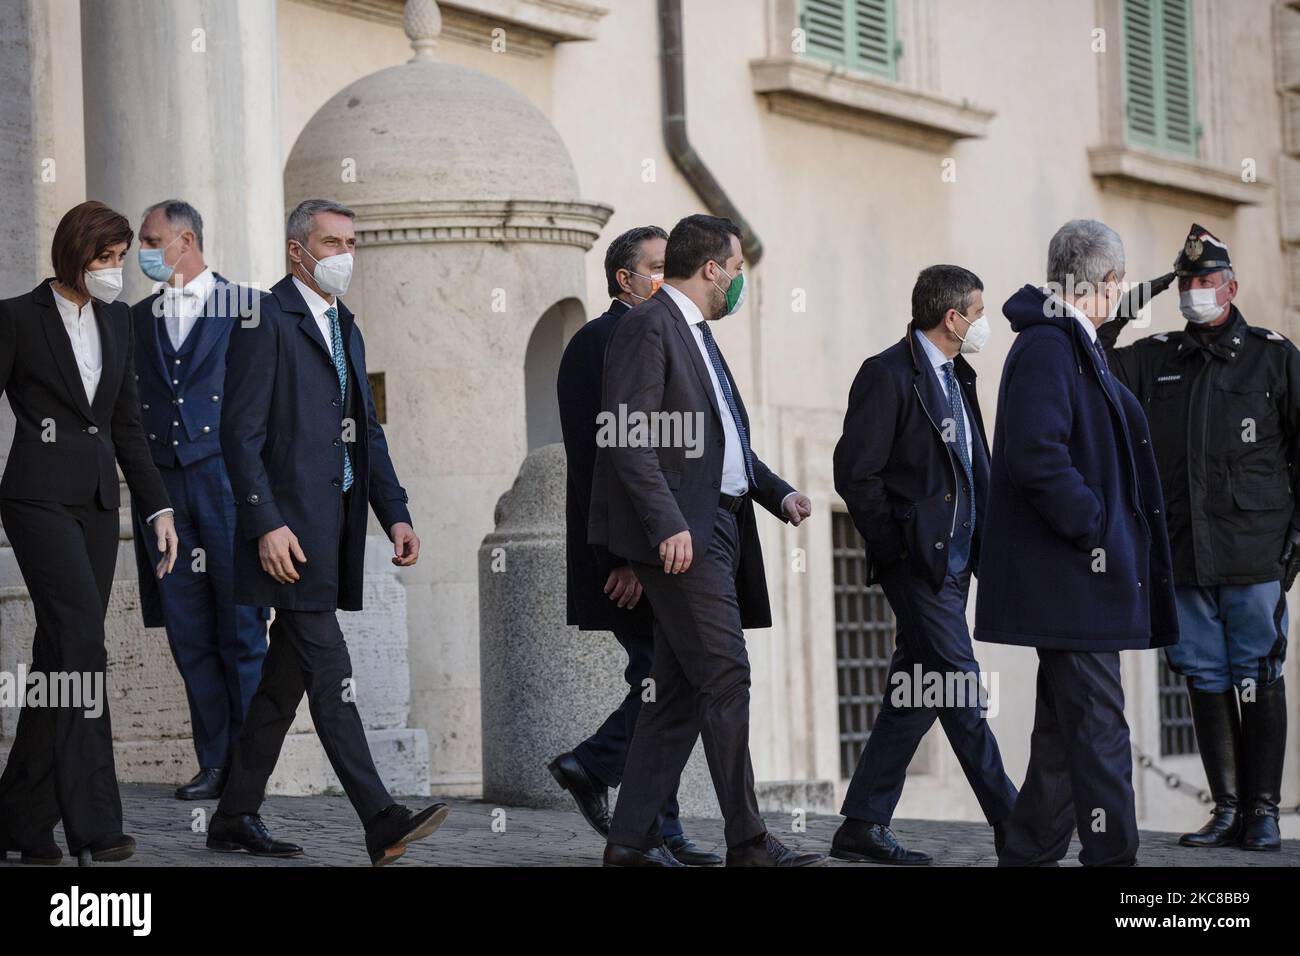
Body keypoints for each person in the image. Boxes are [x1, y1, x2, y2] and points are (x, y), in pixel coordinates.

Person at [209, 198, 445, 867]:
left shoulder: (346, 324)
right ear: (296, 250)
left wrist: (394, 512)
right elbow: (239, 433)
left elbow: (365, 433)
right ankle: (380, 816)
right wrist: (265, 523)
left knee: (283, 685)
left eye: (351, 242)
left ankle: (232, 815)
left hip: (332, 529)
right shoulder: (264, 317)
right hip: (288, 537)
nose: (345, 254)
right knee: (331, 669)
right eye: (331, 242)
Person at [590, 213, 824, 867]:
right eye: (738, 266)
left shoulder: (695, 332)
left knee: (679, 694)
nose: (741, 279)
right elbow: (625, 434)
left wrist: (777, 493)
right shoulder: (647, 325)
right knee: (726, 675)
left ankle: (628, 844)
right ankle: (748, 843)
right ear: (712, 267)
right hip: (682, 532)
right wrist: (666, 523)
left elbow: (726, 441)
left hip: (718, 524)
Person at [976, 219, 1178, 867]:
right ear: (1108, 280)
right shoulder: (1048, 348)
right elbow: (1037, 455)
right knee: (1099, 730)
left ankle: (1030, 853)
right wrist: (1093, 526)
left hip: (1080, 582)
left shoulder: (1069, 341)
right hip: (1073, 581)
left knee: (1064, 733)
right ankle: (1114, 861)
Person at [1098, 224, 1294, 851]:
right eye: (1186, 283)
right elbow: (1094, 362)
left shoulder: (1274, 357)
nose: (1195, 292)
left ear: (1232, 287)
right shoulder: (1156, 359)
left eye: (1205, 282)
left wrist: (1296, 543)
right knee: (1204, 673)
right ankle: (1228, 808)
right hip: (1184, 551)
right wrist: (1140, 296)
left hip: (1254, 550)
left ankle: (1263, 811)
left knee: (1257, 670)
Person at [0, 200, 178, 865]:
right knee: (83, 643)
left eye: (121, 259)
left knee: (60, 659)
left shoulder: (118, 321)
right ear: (74, 253)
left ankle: (18, 817)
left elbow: (127, 422)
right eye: (105, 258)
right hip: (37, 499)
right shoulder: (17, 317)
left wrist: (157, 509)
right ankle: (97, 827)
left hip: (100, 504)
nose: (114, 271)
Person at [831, 265, 1017, 865]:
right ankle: (1016, 825)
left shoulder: (961, 377)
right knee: (961, 688)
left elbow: (974, 474)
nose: (984, 323)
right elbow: (856, 475)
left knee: (916, 691)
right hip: (919, 566)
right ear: (952, 317)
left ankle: (861, 822)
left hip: (958, 566)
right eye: (979, 312)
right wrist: (897, 551)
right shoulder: (886, 375)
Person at [549, 225, 720, 866]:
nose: (666, 277)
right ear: (626, 279)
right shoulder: (602, 341)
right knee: (670, 677)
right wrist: (621, 557)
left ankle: (657, 828)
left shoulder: (661, 332)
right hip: (633, 552)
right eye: (655, 267)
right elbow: (600, 459)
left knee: (665, 676)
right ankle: (594, 768)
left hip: (664, 546)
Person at [130, 199, 269, 802]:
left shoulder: (249, 305)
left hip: (228, 482)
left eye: (151, 239)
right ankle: (213, 761)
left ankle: (250, 766)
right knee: (188, 628)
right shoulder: (136, 318)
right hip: (165, 488)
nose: (143, 251)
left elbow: (269, 400)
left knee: (242, 625)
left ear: (185, 240)